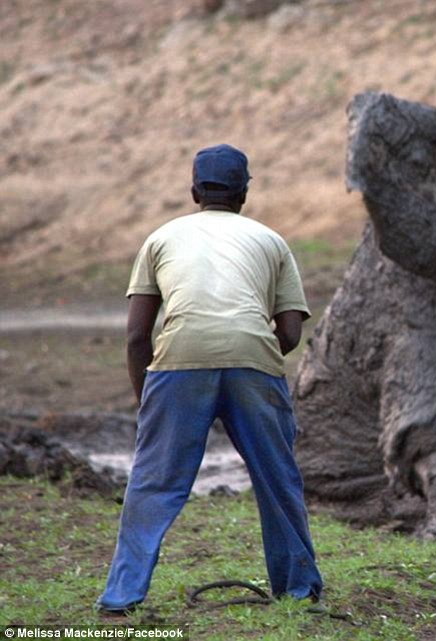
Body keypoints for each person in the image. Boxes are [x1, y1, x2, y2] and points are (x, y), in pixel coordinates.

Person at [96, 144, 324, 614]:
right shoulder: (271, 241)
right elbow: (291, 332)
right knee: (277, 479)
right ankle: (299, 591)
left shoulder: (161, 238)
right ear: (244, 193)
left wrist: (149, 399)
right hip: (253, 361)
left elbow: (138, 335)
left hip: (179, 360)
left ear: (194, 190)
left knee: (153, 483)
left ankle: (122, 596)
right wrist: (249, 352)